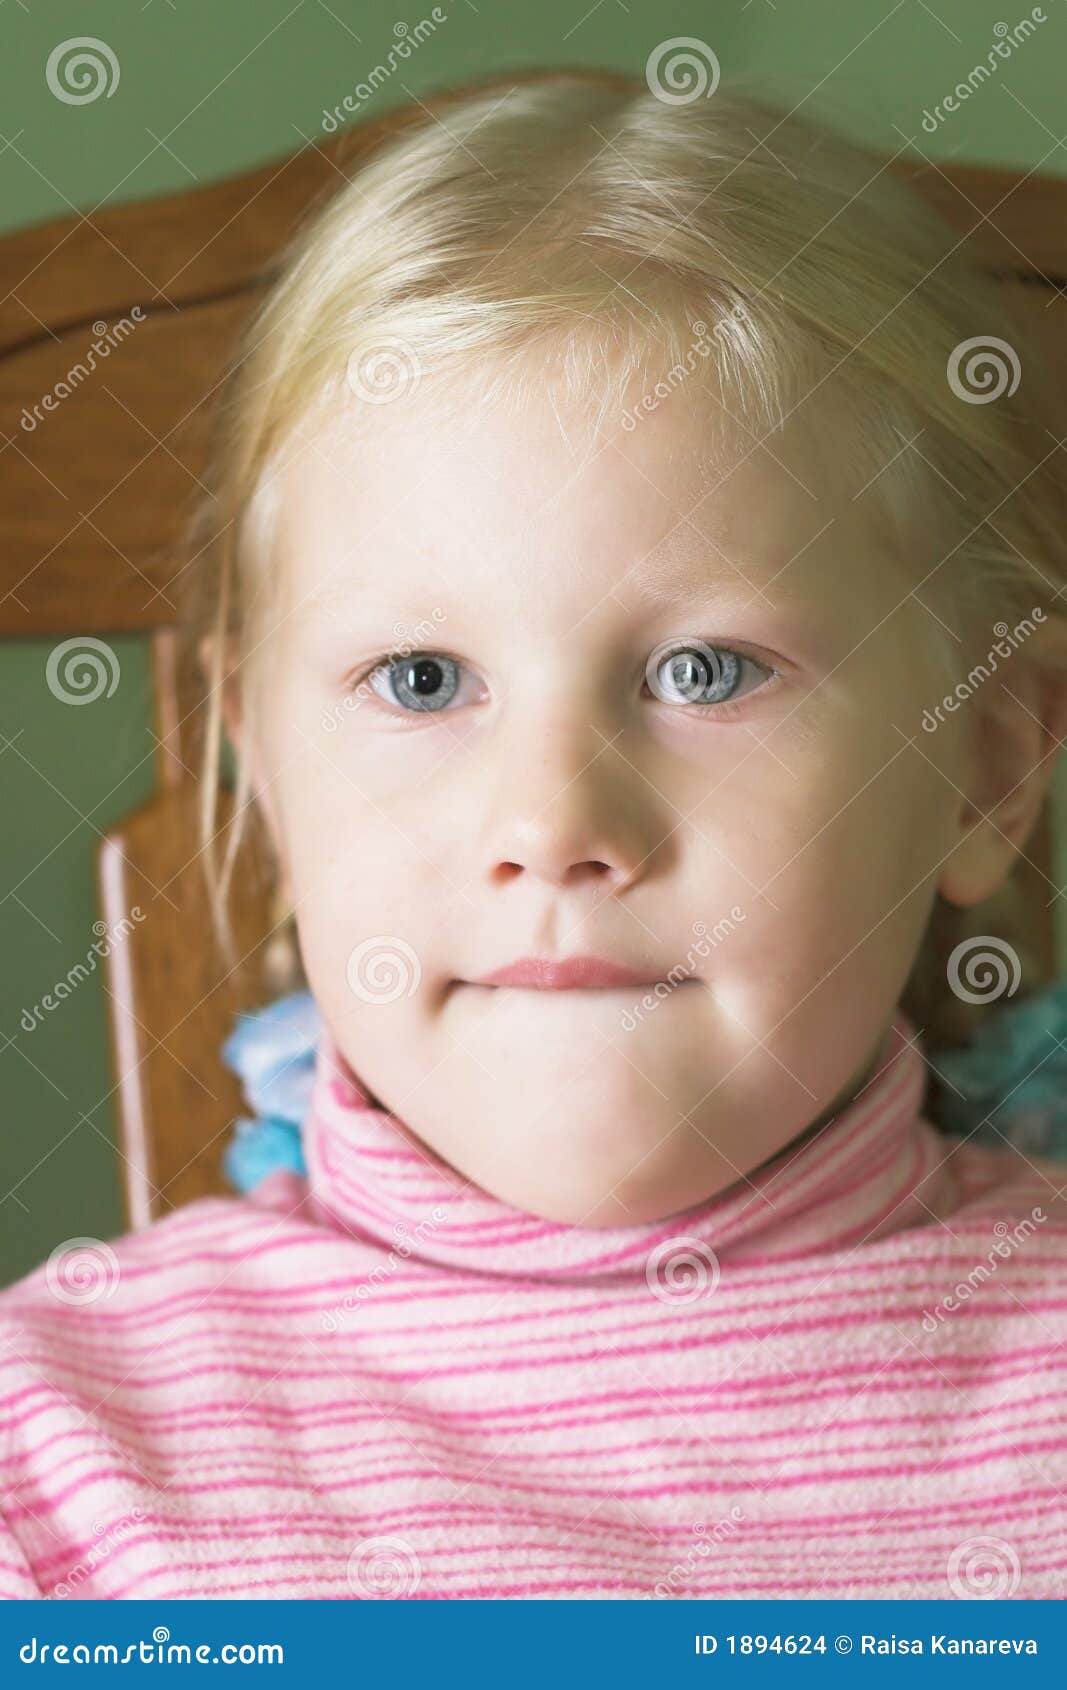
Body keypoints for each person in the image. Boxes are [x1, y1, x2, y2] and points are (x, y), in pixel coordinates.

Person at [3, 71, 1067, 1601]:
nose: (555, 826)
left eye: (706, 672)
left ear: (985, 764)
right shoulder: (56, 1455)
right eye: (422, 680)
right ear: (267, 771)